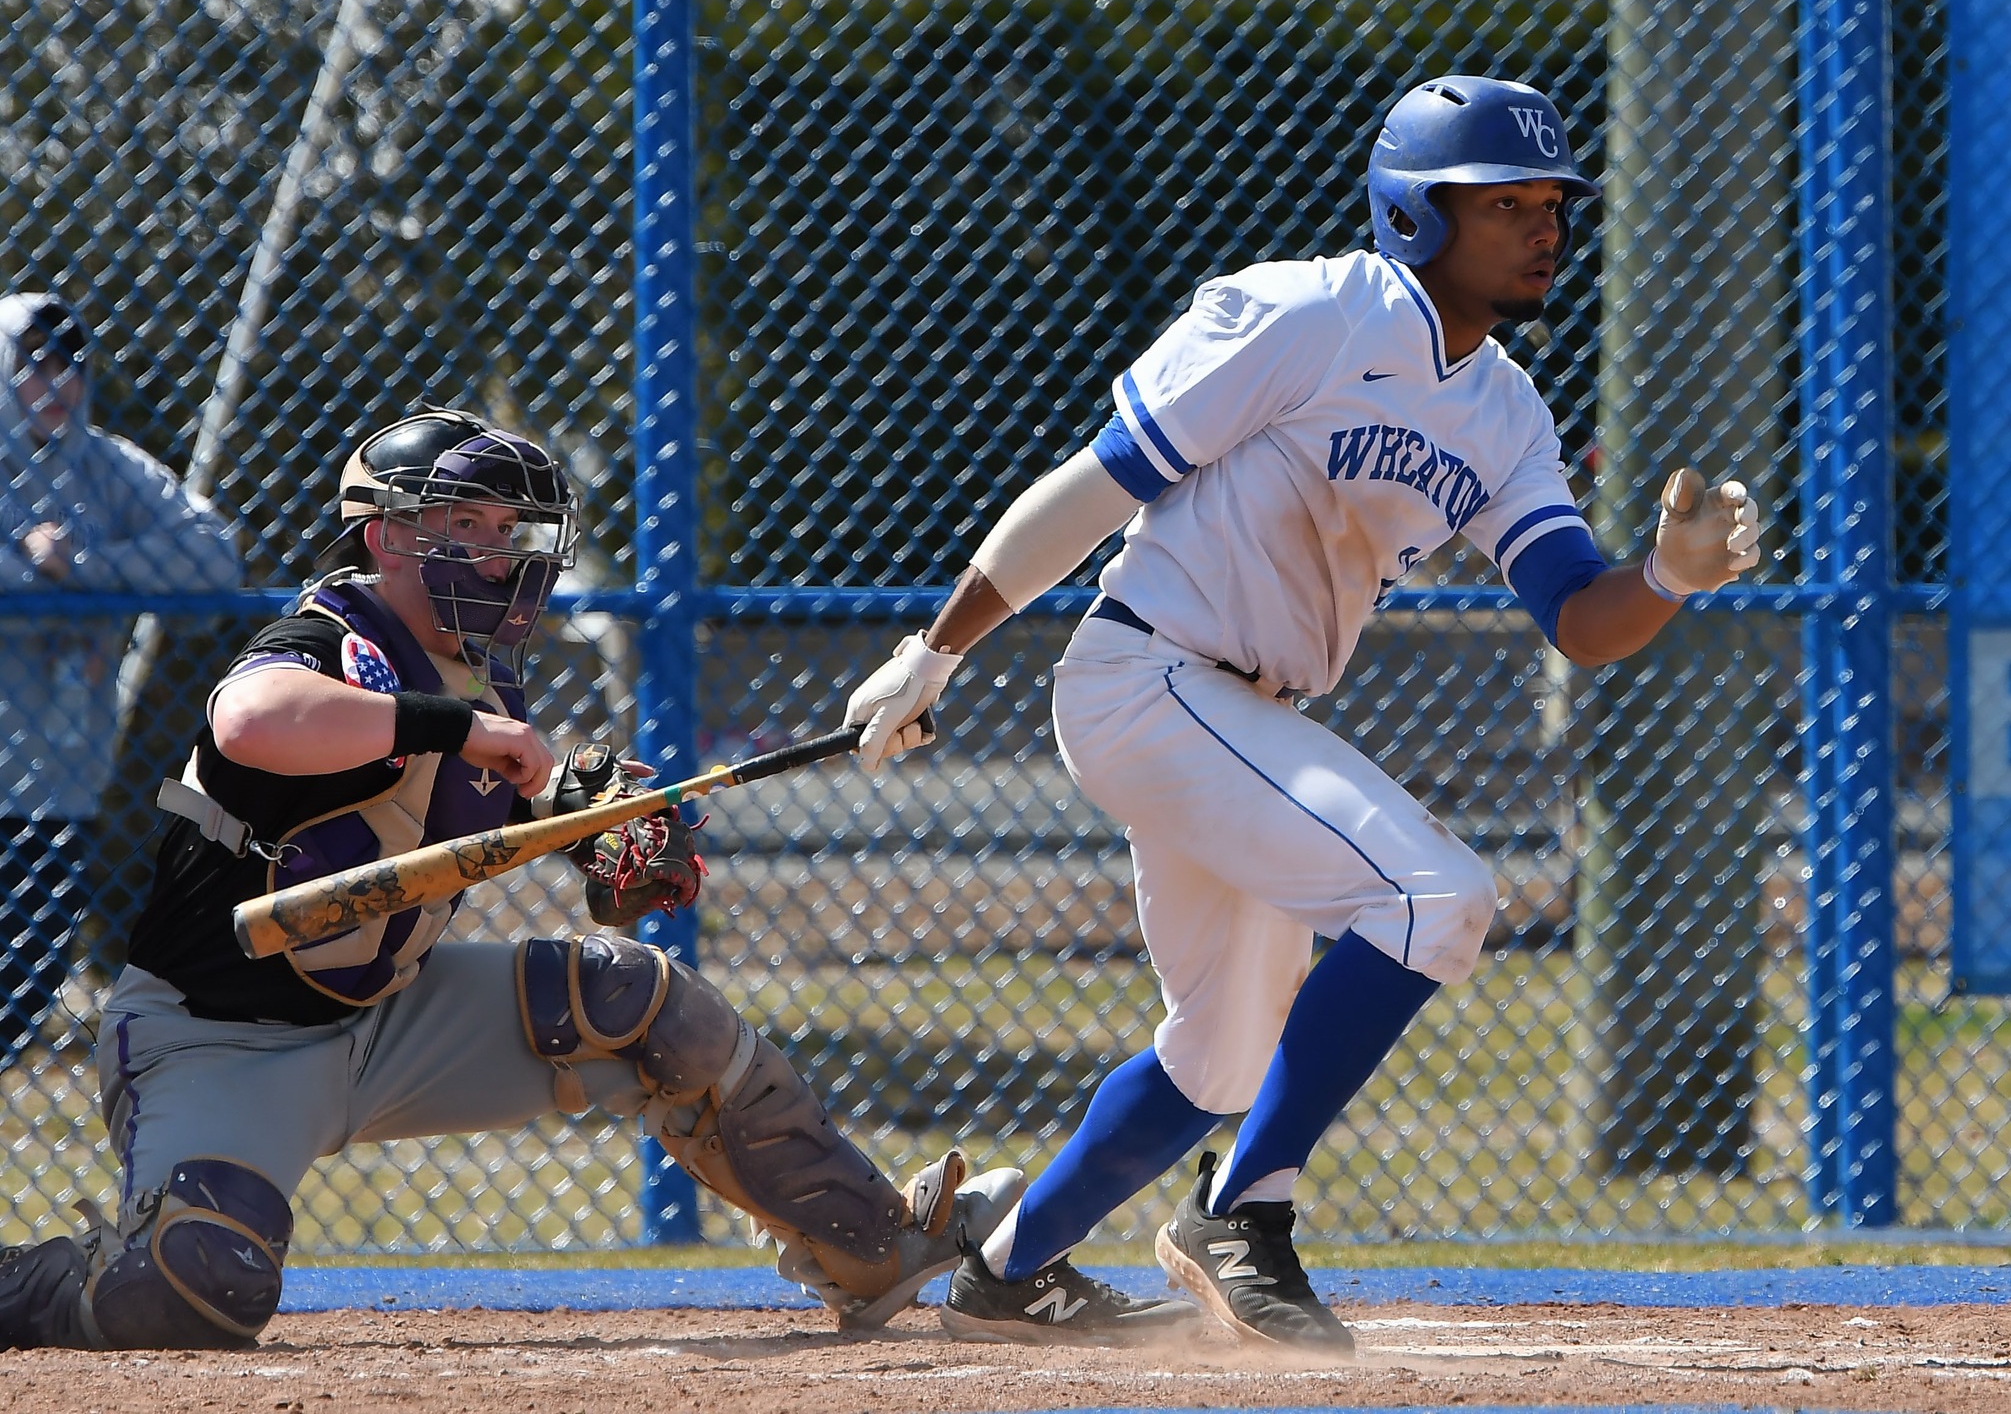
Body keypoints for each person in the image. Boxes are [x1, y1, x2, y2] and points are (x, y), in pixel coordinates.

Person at [837, 75, 1763, 1351]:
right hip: (1149, 678)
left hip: (1232, 714)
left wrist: (1669, 576)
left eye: (1554, 204)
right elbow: (1096, 489)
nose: (1547, 227)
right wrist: (931, 654)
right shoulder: (1307, 313)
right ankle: (1244, 1214)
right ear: (1414, 215)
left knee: (1218, 1062)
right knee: (1438, 896)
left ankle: (1005, 1272)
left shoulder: (1503, 410)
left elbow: (1577, 617)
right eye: (1509, 203)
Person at [0, 408, 1021, 1350]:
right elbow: (249, 721)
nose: (499, 554)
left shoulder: (481, 670)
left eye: (513, 531)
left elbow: (522, 811)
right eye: (466, 526)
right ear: (386, 536)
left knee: (637, 999)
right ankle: (28, 1282)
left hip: (393, 1016)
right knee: (193, 1288)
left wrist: (595, 833)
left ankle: (871, 1245)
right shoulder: (329, 641)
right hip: (216, 1040)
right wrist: (464, 731)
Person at [0, 292, 242, 1063]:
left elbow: (213, 557)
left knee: (24, 991)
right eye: (29, 360)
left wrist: (88, 568)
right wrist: (53, 590)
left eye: (68, 361)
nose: (53, 380)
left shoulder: (104, 465)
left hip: (59, 788)